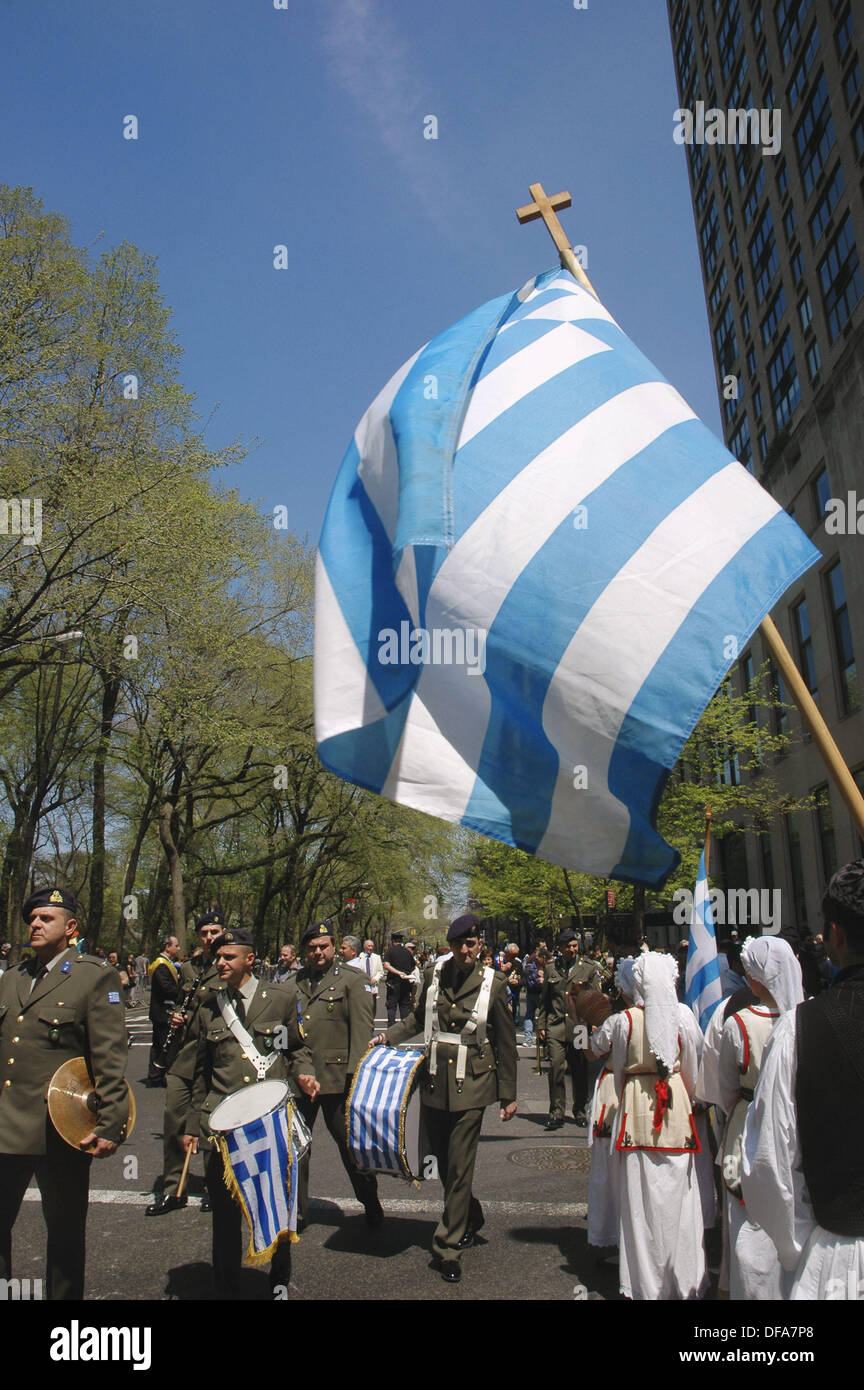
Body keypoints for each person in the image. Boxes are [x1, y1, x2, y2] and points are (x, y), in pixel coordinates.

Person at [0, 887, 130, 1300]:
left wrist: (111, 1122)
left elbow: (109, 1054)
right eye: (32, 918)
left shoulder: (94, 975)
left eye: (46, 919)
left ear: (70, 927)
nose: (35, 925)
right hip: (5, 1128)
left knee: (65, 1236)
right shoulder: (12, 978)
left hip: (59, 1128)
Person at [743, 860, 864, 1300]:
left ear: (834, 933)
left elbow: (770, 1164)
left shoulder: (799, 1028)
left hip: (841, 1260)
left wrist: (798, 1247)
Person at [374, 913, 517, 1283]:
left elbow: (505, 1042)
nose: (464, 950)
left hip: (473, 1085)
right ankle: (469, 1212)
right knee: (437, 1158)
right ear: (450, 946)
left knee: (459, 1166)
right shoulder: (432, 976)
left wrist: (508, 1095)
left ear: (480, 945)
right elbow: (416, 1020)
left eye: (470, 944)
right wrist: (386, 1037)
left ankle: (448, 1248)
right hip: (435, 1083)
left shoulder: (493, 984)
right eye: (457, 944)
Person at [181, 927, 318, 1297]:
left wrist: (305, 1072)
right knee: (224, 1219)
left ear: (249, 960)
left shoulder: (281, 997)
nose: (220, 963)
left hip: (268, 1121)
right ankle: (226, 1286)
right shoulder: (209, 1005)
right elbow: (198, 1072)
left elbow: (293, 1048)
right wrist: (193, 1124)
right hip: (223, 1123)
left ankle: (278, 1278)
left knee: (275, 1204)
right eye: (218, 957)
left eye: (229, 957)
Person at [612, 952, 706, 1301]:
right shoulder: (682, 1016)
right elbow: (694, 1064)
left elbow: (619, 1068)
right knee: (680, 1196)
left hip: (638, 1106)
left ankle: (644, 1285)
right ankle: (684, 1280)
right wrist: (691, 1095)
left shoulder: (626, 1020)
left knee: (639, 1201)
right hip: (677, 1106)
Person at [717, 935, 803, 1300]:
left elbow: (723, 1087)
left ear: (754, 978)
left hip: (746, 1123)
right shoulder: (806, 1018)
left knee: (747, 1222)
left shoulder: (738, 1024)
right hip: (798, 1128)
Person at [294, 922, 383, 1226]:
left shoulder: (352, 980)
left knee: (350, 1148)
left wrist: (356, 1078)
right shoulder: (295, 981)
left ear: (333, 946)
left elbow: (361, 1033)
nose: (318, 952)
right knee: (297, 1148)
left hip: (337, 1081)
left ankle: (370, 1201)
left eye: (324, 946)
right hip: (301, 1080)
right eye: (312, 948)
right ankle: (297, 1211)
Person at [147, 911, 225, 1216]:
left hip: (217, 1055)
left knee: (211, 1122)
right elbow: (182, 1000)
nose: (208, 937)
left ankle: (214, 1186)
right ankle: (172, 1188)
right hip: (186, 1052)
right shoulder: (189, 968)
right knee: (174, 1118)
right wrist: (177, 1013)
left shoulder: (227, 964)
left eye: (214, 931)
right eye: (204, 932)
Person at [586, 957, 641, 1255]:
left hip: (614, 1094)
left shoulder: (618, 1021)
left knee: (607, 1166)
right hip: (658, 1101)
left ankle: (607, 1231)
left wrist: (583, 1024)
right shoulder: (679, 1016)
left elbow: (593, 1052)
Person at [537, 929, 601, 1129]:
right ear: (561, 948)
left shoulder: (588, 968)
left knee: (580, 1071)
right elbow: (545, 999)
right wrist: (541, 1024)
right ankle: (556, 1113)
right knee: (556, 1068)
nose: (572, 950)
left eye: (575, 946)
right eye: (568, 947)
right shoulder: (551, 968)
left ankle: (580, 1111)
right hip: (556, 1026)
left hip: (579, 1027)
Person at [145, 935, 181, 1087]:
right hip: (162, 1011)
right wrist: (181, 992)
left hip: (161, 1011)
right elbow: (166, 988)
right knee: (164, 1044)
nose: (178, 948)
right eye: (176, 945)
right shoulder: (161, 965)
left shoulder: (166, 964)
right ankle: (157, 1076)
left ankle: (156, 1075)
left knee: (161, 1044)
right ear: (167, 947)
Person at [383, 930, 414, 1025]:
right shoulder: (408, 952)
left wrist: (398, 972)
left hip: (393, 983)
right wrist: (405, 973)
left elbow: (386, 965)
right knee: (404, 1006)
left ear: (393, 941)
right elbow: (413, 966)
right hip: (406, 983)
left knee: (391, 1007)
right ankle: (404, 1029)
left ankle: (391, 1027)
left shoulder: (390, 951)